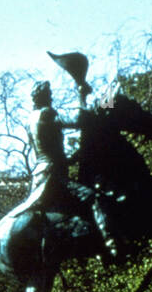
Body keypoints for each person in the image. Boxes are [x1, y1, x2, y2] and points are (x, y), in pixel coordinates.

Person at [21, 80, 120, 262]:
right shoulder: (46, 113)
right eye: (49, 94)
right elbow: (78, 120)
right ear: (44, 97)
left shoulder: (30, 118)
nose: (51, 97)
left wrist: (75, 156)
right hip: (53, 175)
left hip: (38, 175)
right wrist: (81, 94)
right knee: (94, 198)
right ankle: (111, 246)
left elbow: (43, 150)